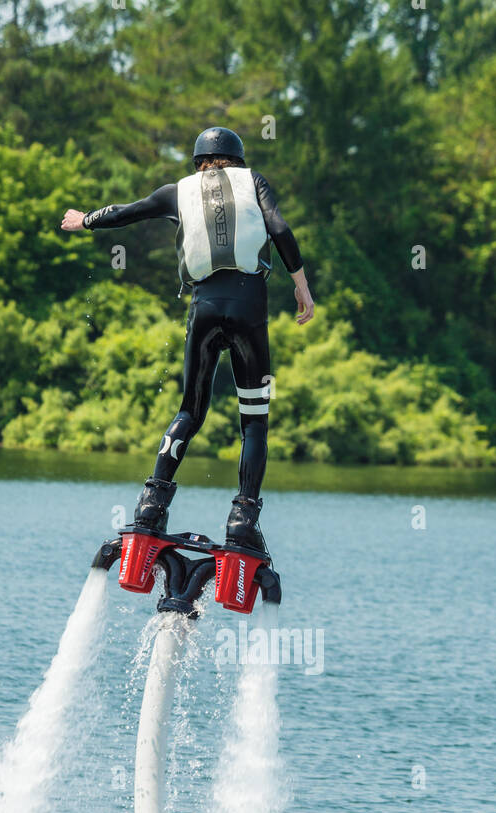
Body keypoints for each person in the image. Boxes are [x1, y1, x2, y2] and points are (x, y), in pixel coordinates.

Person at [62, 126, 314, 554]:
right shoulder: (253, 181)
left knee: (190, 411)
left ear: (199, 161)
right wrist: (301, 285)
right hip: (249, 305)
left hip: (204, 307)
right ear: (237, 158)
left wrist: (83, 220)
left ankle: (150, 506)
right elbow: (280, 228)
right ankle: (242, 519)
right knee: (254, 421)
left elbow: (127, 211)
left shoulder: (177, 191)